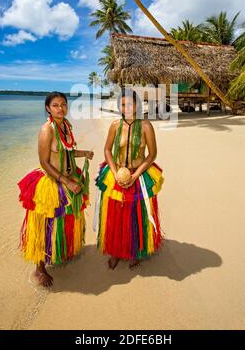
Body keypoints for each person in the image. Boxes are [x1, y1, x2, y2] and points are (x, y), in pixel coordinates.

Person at [18, 91, 94, 287]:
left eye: (63, 104)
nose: (61, 108)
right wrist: (66, 182)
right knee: (45, 225)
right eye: (55, 105)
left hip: (69, 178)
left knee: (64, 221)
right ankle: (39, 269)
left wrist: (84, 152)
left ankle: (59, 252)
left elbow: (67, 150)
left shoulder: (66, 126)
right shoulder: (47, 129)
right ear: (47, 108)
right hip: (52, 182)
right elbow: (44, 162)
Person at [94, 87, 164, 270]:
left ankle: (135, 250)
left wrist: (135, 175)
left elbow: (152, 154)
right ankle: (116, 251)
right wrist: (115, 171)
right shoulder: (115, 125)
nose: (126, 107)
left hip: (139, 173)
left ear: (137, 105)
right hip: (116, 172)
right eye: (123, 104)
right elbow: (107, 149)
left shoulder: (146, 126)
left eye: (130, 104)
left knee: (136, 214)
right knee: (116, 215)